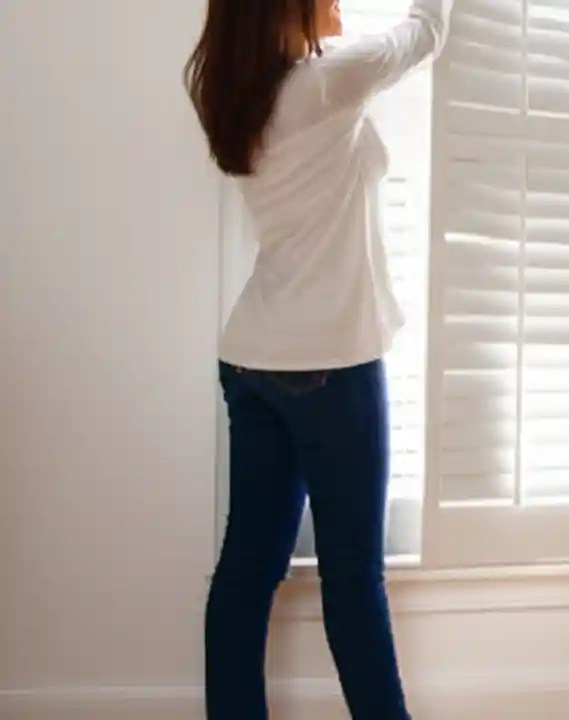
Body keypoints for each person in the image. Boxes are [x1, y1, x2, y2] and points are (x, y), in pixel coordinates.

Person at [184, 0, 452, 717]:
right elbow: (427, 30)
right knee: (353, 580)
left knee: (247, 570)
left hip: (252, 359)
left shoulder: (234, 97)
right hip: (330, 365)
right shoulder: (327, 84)